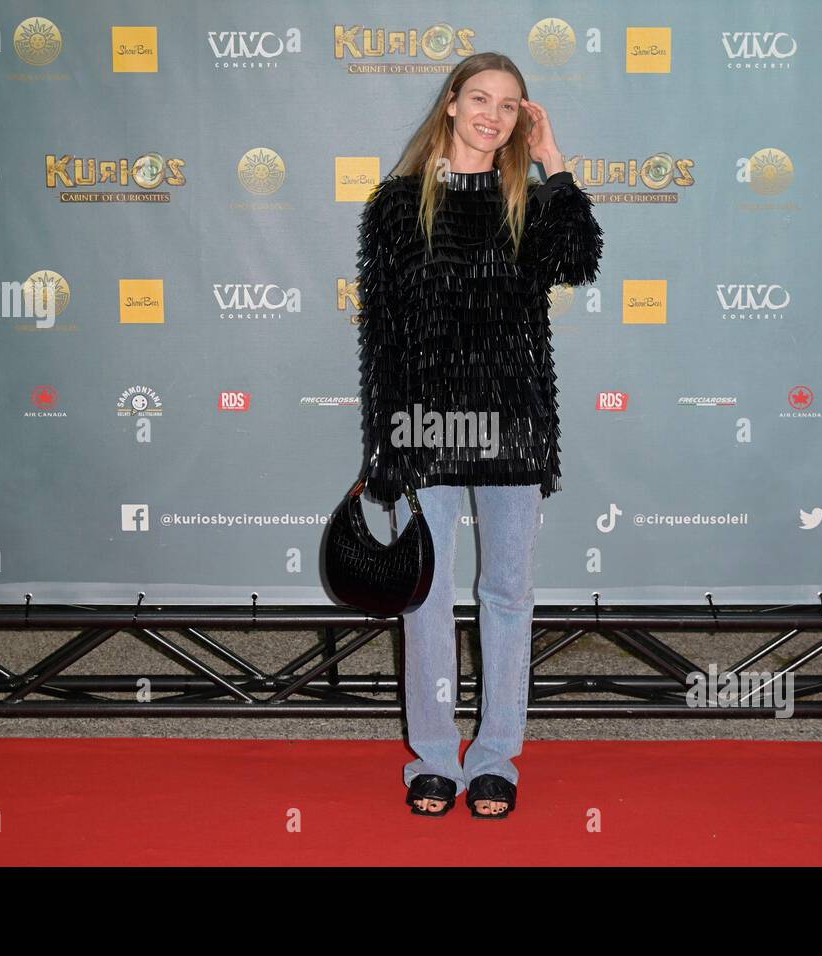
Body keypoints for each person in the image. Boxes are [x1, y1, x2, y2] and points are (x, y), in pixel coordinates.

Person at [355, 52, 603, 818]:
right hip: (426, 417)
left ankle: (496, 755)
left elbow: (582, 260)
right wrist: (384, 444)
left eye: (511, 105)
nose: (493, 114)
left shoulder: (526, 200)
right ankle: (432, 757)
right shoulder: (397, 205)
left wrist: (556, 166)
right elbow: (384, 336)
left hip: (513, 414)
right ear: (453, 105)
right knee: (424, 594)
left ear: (519, 120)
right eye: (480, 98)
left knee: (507, 591)